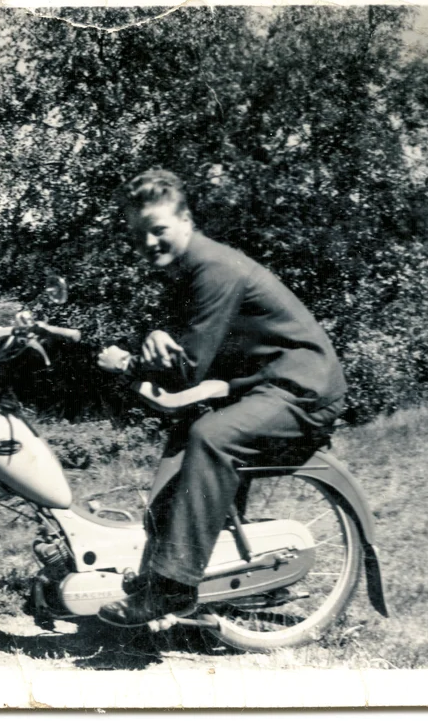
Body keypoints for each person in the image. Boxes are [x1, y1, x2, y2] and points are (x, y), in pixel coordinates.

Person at [95, 169, 348, 627]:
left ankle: (173, 588)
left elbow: (188, 368)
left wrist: (128, 365)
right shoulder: (185, 269)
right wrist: (153, 337)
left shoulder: (213, 268)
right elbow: (182, 343)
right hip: (259, 385)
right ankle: (163, 573)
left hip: (301, 390)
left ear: (185, 220)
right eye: (138, 234)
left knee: (212, 436)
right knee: (177, 457)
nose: (148, 242)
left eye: (158, 229)